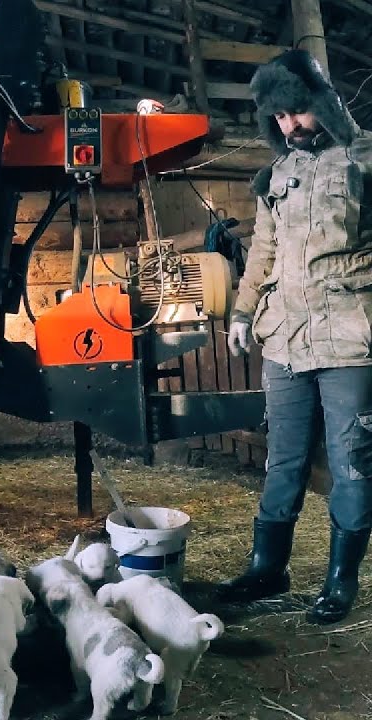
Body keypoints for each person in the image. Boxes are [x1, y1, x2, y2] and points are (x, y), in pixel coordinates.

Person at [222, 48, 372, 624]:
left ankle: (340, 579)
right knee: (283, 458)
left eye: (296, 111)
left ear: (320, 102)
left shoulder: (364, 161)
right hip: (284, 337)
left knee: (352, 460)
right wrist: (242, 312)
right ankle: (268, 568)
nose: (289, 125)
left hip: (350, 339)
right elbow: (263, 250)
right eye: (278, 117)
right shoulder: (276, 175)